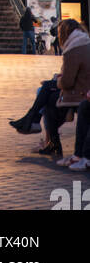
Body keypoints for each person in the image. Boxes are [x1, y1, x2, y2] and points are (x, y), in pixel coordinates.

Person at [37, 19, 90, 159]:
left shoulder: (73, 49)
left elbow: (67, 82)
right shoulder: (84, 42)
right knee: (46, 89)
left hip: (78, 93)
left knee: (47, 100)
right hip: (82, 89)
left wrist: (58, 80)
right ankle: (34, 122)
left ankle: (52, 141)